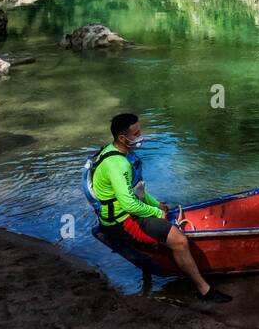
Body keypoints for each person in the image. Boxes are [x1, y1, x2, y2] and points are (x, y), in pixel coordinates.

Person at [89, 113, 230, 303]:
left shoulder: (112, 151)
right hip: (120, 220)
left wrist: (157, 204)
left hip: (121, 212)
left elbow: (135, 189)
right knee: (179, 241)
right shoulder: (118, 164)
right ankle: (204, 290)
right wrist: (157, 213)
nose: (141, 136)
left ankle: (148, 270)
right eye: (136, 133)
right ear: (122, 138)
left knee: (164, 216)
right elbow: (129, 203)